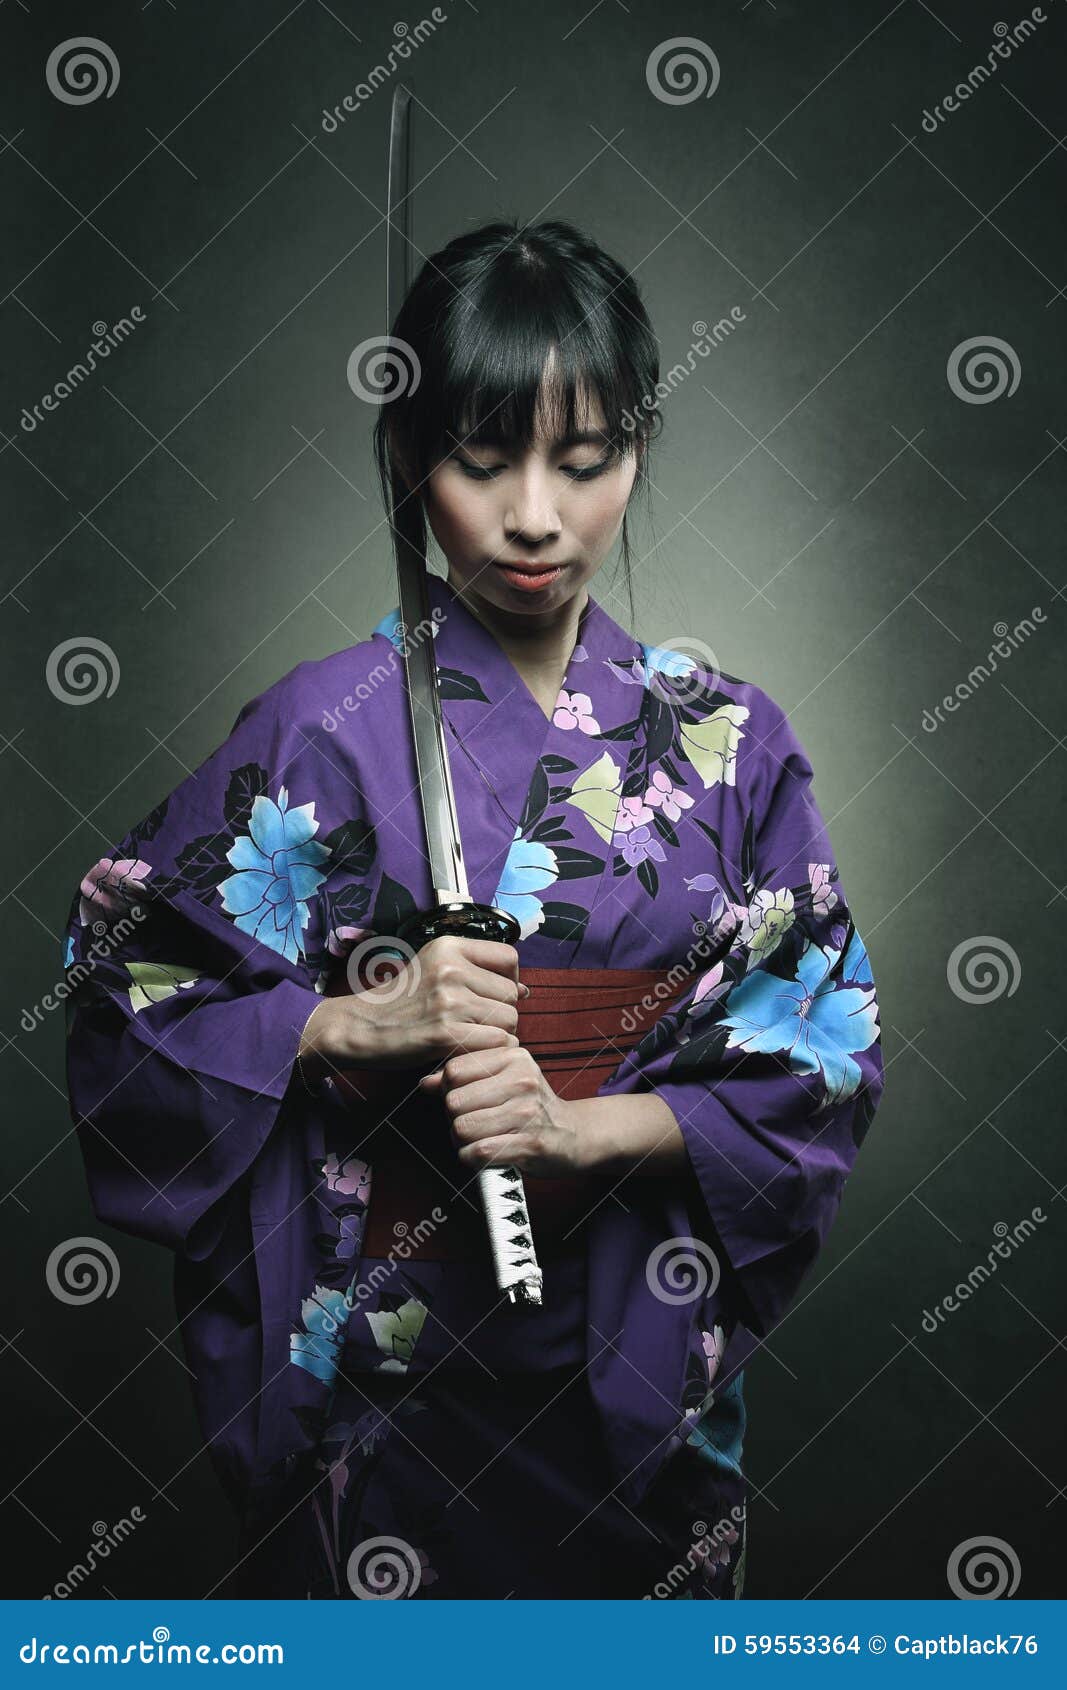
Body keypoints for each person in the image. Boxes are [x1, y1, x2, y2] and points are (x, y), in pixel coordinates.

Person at [62, 218, 885, 1600]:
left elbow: (826, 1050)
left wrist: (581, 1125)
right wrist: (340, 1024)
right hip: (386, 1382)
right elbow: (122, 967)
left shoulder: (728, 739)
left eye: (584, 461)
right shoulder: (320, 728)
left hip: (630, 1348)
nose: (533, 517)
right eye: (481, 458)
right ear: (406, 457)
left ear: (636, 448)